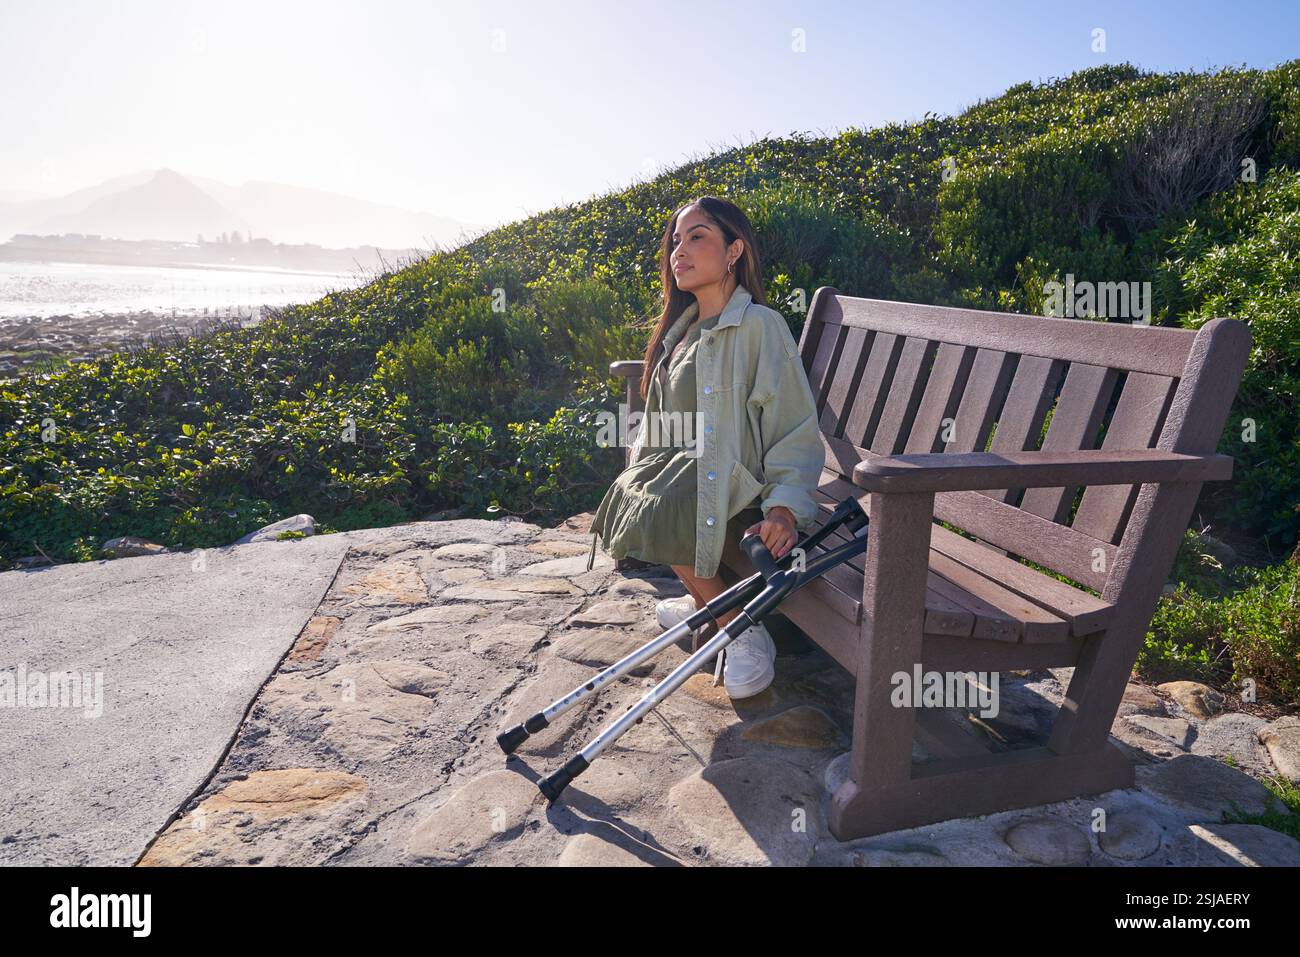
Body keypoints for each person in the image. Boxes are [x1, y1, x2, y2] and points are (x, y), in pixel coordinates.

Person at [586, 196, 825, 698]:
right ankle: (704, 603)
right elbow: (663, 422)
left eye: (698, 237)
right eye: (676, 240)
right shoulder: (681, 332)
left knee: (661, 501)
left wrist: (783, 511)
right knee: (638, 487)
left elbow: (794, 426)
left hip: (740, 480)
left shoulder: (759, 325)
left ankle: (740, 628)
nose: (680, 250)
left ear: (735, 249)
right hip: (686, 471)